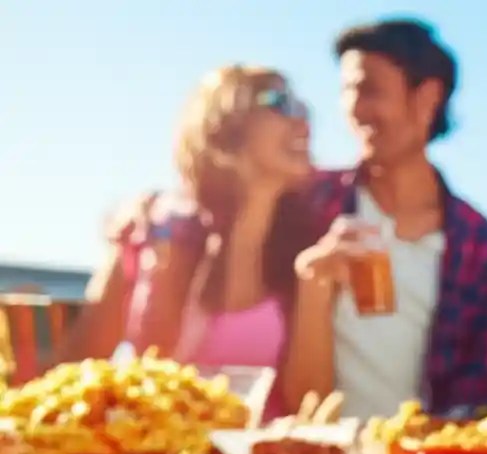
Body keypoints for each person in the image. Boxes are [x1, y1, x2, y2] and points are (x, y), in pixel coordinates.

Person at [287, 18, 487, 420]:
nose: (354, 109)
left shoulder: (482, 244)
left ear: (427, 98)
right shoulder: (310, 205)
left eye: (369, 90)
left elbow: (484, 393)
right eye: (347, 92)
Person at [63, 66, 317, 418]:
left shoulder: (305, 255)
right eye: (280, 103)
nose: (304, 124)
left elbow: (306, 404)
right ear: (222, 126)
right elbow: (75, 373)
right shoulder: (149, 234)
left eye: (304, 111)